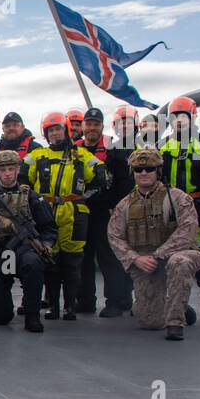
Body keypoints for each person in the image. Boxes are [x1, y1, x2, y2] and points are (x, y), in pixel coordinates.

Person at [108, 148, 200, 340]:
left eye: (150, 168)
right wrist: (135, 259)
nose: (144, 173)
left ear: (158, 171)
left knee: (180, 263)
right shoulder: (125, 205)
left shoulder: (177, 198)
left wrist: (159, 253)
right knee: (150, 322)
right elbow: (114, 236)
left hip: (179, 254)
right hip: (145, 262)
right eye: (138, 169)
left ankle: (175, 322)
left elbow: (188, 230)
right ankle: (176, 307)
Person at [23, 112, 105, 320]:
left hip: (74, 213)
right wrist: (33, 202)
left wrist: (83, 197)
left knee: (72, 263)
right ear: (46, 134)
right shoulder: (38, 155)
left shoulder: (81, 155)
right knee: (50, 261)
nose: (55, 134)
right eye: (51, 131)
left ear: (66, 130)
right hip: (46, 212)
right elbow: (23, 178)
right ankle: (53, 307)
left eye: (58, 129)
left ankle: (70, 306)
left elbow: (102, 177)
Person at [0, 150, 57, 332]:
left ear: (18, 169)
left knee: (33, 263)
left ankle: (32, 315)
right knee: (0, 318)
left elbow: (49, 227)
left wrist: (47, 245)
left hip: (24, 249)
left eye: (11, 169)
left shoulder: (32, 197)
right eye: (3, 170)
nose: (7, 173)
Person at [159, 95, 200, 319]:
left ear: (192, 117)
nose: (179, 121)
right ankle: (173, 303)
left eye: (183, 117)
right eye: (174, 117)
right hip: (170, 209)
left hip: (198, 209)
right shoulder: (163, 147)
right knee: (168, 253)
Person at [77, 107, 134, 316]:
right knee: (83, 257)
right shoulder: (75, 148)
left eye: (96, 124)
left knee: (109, 257)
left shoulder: (113, 148)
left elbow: (123, 181)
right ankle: (85, 301)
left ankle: (115, 302)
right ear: (83, 126)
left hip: (105, 212)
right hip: (82, 211)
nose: (92, 128)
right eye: (88, 124)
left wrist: (114, 206)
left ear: (102, 126)